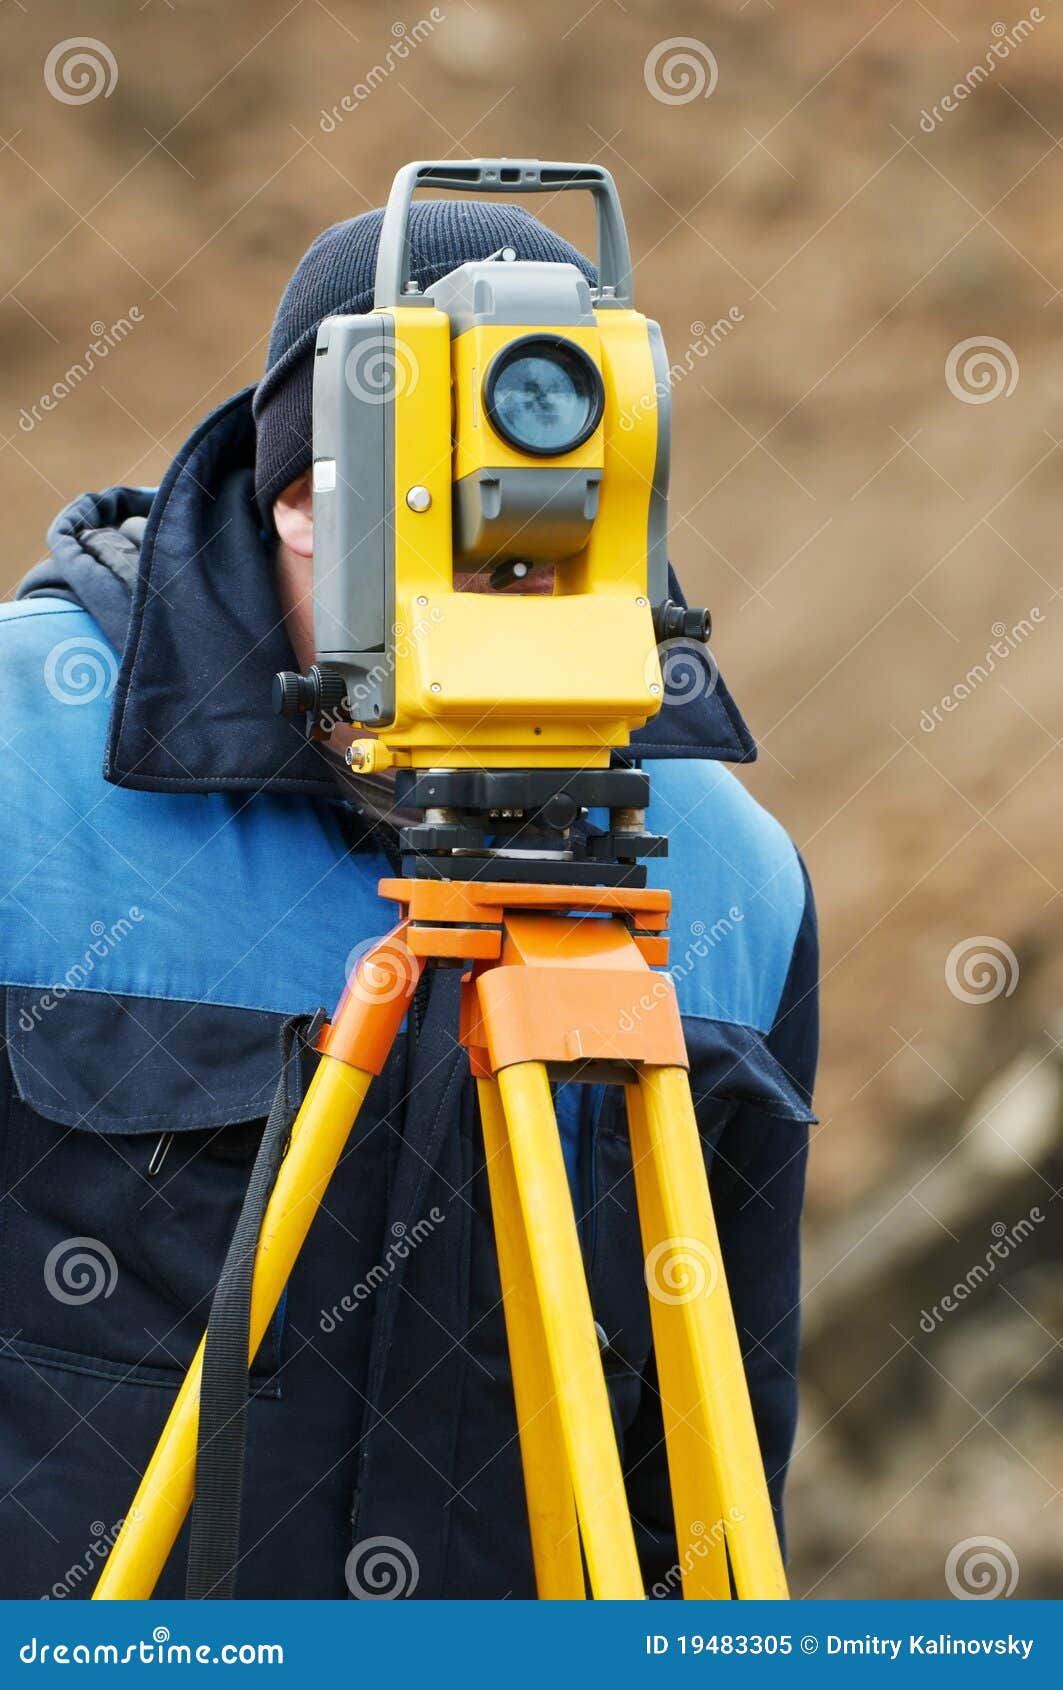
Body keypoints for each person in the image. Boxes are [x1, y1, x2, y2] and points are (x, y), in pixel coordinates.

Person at [0, 198, 818, 1600]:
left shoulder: (735, 879)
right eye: (446, 496)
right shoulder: (26, 763)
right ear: (301, 493)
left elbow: (709, 1474)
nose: (508, 563)